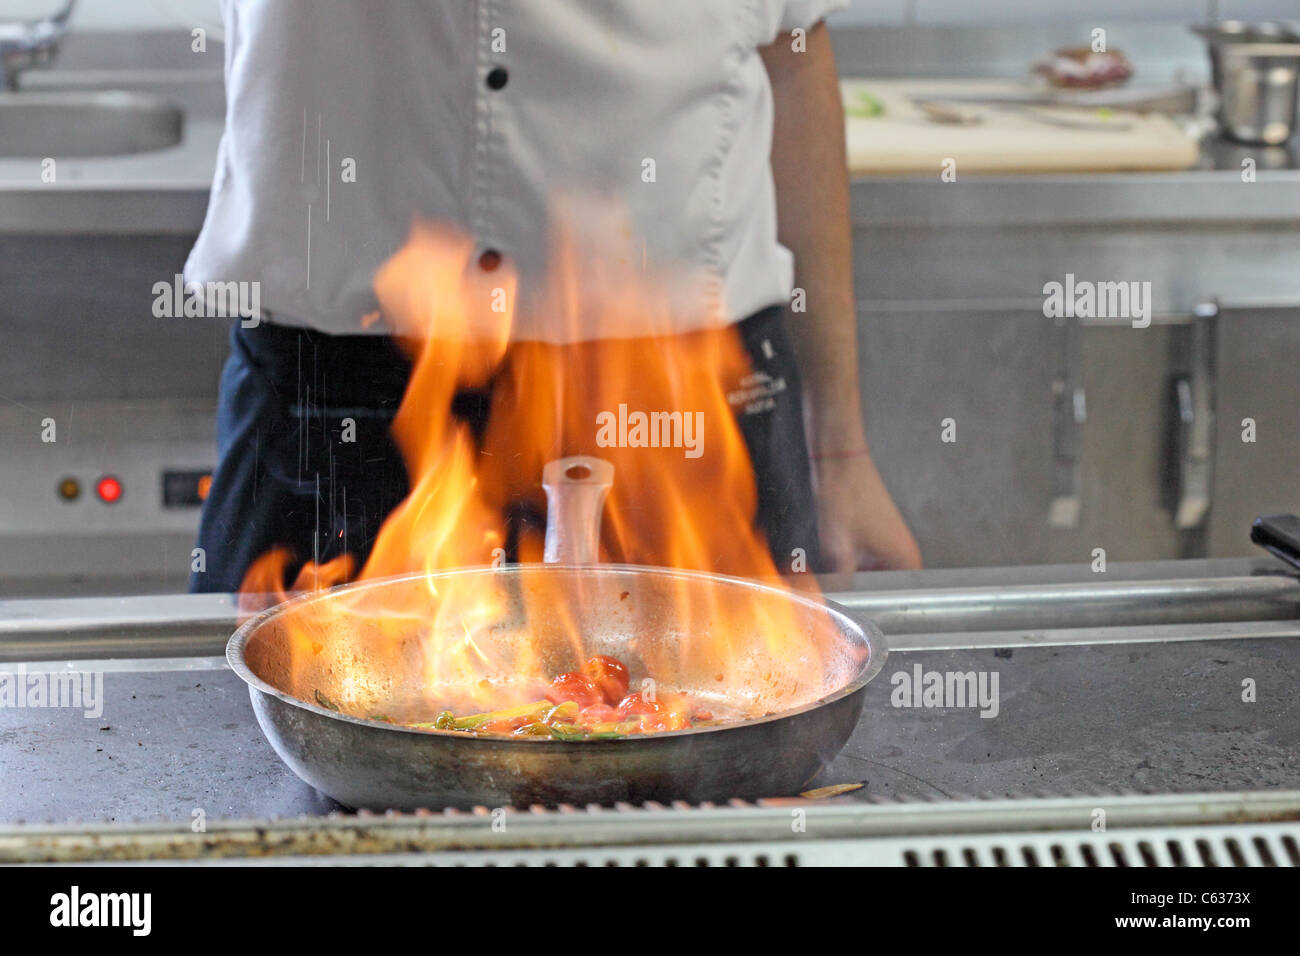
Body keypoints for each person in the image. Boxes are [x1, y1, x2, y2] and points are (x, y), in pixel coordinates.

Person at [187, 0, 921, 594]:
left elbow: (792, 51)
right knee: (268, 758)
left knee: (727, 750)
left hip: (683, 401)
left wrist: (841, 448)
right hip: (343, 401)